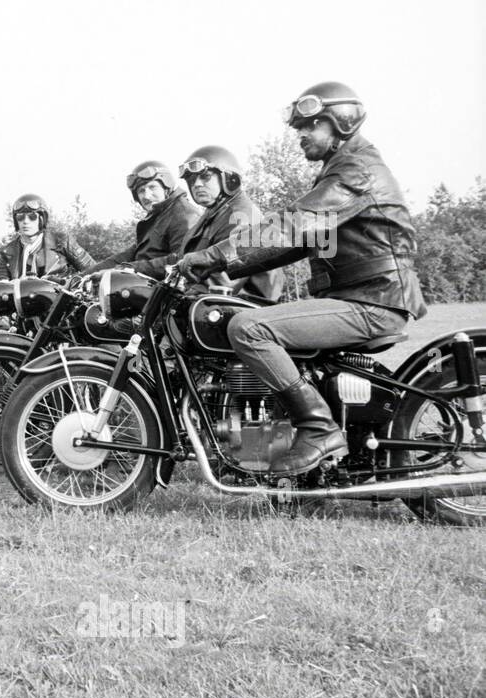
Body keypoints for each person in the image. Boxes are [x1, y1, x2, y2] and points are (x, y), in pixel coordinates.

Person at [177, 82, 427, 474]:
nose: (301, 137)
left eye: (310, 126)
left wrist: (215, 254)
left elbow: (295, 225)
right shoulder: (340, 170)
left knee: (248, 328)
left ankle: (318, 427)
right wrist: (222, 262)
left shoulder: (355, 170)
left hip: (372, 301)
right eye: (298, 129)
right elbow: (296, 244)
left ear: (340, 123)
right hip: (359, 297)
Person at [133, 146, 284, 303]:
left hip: (242, 310)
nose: (196, 184)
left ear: (229, 178)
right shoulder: (212, 213)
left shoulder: (240, 216)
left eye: (205, 177)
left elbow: (222, 283)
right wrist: (133, 269)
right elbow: (180, 259)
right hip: (214, 307)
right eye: (191, 180)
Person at [88, 161, 202, 272]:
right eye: (141, 191)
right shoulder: (157, 218)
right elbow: (126, 256)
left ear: (166, 188)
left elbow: (181, 262)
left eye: (152, 187)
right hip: (150, 287)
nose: (146, 196)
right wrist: (83, 275)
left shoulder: (184, 215)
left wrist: (129, 269)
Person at [0, 193, 95, 280]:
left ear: (42, 219)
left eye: (32, 216)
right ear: (16, 221)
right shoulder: (7, 252)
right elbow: (2, 285)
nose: (25, 221)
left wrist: (72, 282)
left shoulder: (61, 241)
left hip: (60, 298)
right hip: (21, 299)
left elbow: (92, 269)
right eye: (20, 217)